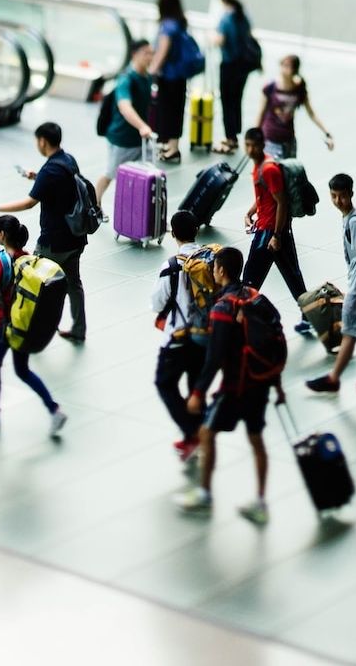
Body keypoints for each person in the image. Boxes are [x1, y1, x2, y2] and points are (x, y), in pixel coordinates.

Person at [177, 246, 282, 523]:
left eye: (214, 268)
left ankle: (204, 494)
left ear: (221, 271)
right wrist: (277, 383)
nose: (212, 272)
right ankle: (260, 502)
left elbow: (215, 355)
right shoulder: (254, 297)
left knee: (207, 432)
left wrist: (198, 391)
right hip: (259, 382)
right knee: (256, 440)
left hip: (236, 385)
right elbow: (271, 337)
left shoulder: (223, 307)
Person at [0, 121, 89, 343]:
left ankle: (23, 327)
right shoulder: (67, 160)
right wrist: (37, 176)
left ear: (42, 141)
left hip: (53, 241)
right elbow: (57, 183)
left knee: (28, 279)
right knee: (73, 283)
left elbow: (29, 203)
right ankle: (79, 328)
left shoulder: (50, 171)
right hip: (75, 238)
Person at [0, 215, 68, 437]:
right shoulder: (26, 258)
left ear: (2, 235)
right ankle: (54, 409)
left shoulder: (1, 262)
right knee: (22, 370)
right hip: (21, 323)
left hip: (1, 325)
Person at [306, 174, 356, 395]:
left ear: (351, 194)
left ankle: (333, 378)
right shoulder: (352, 217)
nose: (338, 201)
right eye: (334, 196)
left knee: (349, 332)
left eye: (342, 196)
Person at [239, 127, 316, 337]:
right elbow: (265, 197)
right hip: (272, 230)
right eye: (247, 145)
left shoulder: (269, 169)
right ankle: (309, 317)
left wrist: (276, 235)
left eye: (254, 145)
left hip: (269, 233)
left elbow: (281, 202)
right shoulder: (259, 167)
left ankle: (242, 321)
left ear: (262, 145)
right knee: (293, 278)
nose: (250, 149)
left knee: (250, 280)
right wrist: (250, 212)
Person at [153, 209, 215, 469]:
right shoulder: (211, 259)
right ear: (197, 231)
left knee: (165, 383)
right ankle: (197, 436)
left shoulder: (171, 266)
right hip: (205, 336)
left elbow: (156, 303)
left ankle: (193, 434)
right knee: (195, 389)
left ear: (172, 233)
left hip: (179, 338)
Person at [98, 39, 158, 215]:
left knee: (145, 175)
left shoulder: (147, 77)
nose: (150, 57)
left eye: (151, 53)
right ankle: (94, 206)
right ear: (135, 54)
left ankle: (141, 213)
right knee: (110, 174)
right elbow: (125, 107)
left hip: (140, 139)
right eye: (146, 53)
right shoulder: (126, 79)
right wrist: (142, 126)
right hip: (122, 138)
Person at [146, 0, 199, 165]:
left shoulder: (167, 26)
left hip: (168, 76)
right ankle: (172, 146)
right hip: (180, 76)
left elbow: (162, 51)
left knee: (166, 111)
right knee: (176, 111)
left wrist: (152, 69)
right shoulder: (179, 23)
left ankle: (170, 148)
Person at [210, 0, 261, 155]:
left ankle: (230, 138)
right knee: (237, 98)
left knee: (227, 101)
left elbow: (220, 40)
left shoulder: (226, 19)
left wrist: (211, 39)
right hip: (244, 64)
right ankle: (236, 134)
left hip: (230, 64)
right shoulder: (243, 14)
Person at [256, 54, 334, 159]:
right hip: (270, 138)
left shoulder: (299, 89)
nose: (285, 69)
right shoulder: (270, 87)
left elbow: (312, 113)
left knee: (289, 172)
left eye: (289, 66)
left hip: (289, 140)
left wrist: (326, 132)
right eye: (284, 65)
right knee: (272, 172)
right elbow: (261, 112)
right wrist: (255, 135)